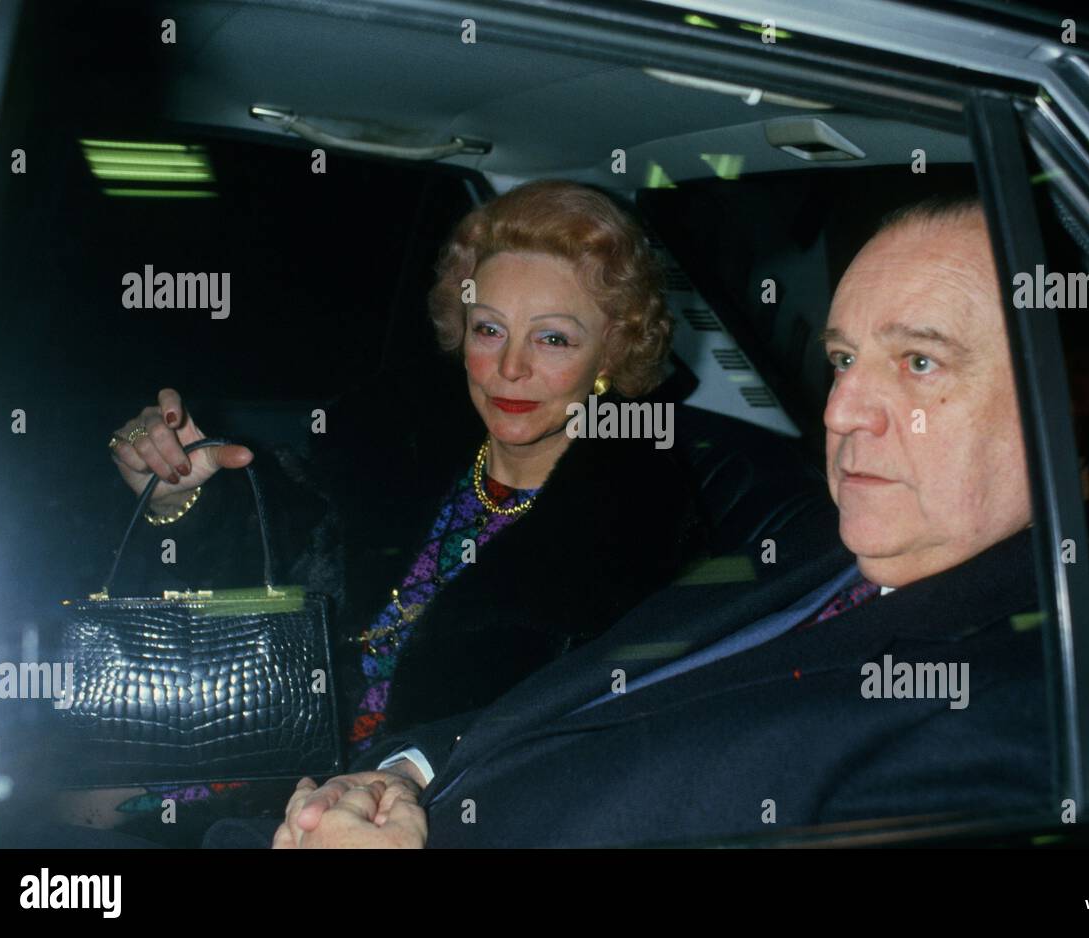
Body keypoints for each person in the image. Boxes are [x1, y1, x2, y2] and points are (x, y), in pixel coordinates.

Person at [202, 194, 1089, 849]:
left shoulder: (1046, 712)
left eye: (918, 361)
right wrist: (398, 775)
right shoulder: (810, 555)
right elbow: (299, 572)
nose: (838, 412)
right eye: (840, 360)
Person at [63, 180, 703, 838]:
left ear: (612, 352)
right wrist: (183, 493)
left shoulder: (637, 535)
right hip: (269, 730)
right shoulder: (399, 448)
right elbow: (284, 530)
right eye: (489, 329)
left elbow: (579, 736)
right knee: (64, 797)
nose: (509, 368)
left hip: (388, 808)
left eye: (553, 340)